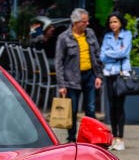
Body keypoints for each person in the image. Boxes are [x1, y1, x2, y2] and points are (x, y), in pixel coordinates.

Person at [55, 8, 103, 143]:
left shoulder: (90, 34)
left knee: (91, 109)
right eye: (84, 21)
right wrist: (61, 84)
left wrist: (99, 75)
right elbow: (59, 62)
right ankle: (71, 139)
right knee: (73, 110)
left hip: (90, 75)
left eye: (87, 21)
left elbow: (97, 55)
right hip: (71, 78)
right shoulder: (64, 38)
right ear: (75, 22)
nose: (87, 24)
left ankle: (91, 139)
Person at [100, 12, 133, 152]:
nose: (113, 24)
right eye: (111, 22)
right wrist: (114, 53)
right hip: (109, 73)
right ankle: (113, 137)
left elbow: (124, 53)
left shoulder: (127, 35)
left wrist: (110, 52)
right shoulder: (107, 37)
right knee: (112, 106)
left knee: (120, 106)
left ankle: (121, 137)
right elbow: (102, 56)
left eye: (115, 21)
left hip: (121, 74)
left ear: (121, 23)